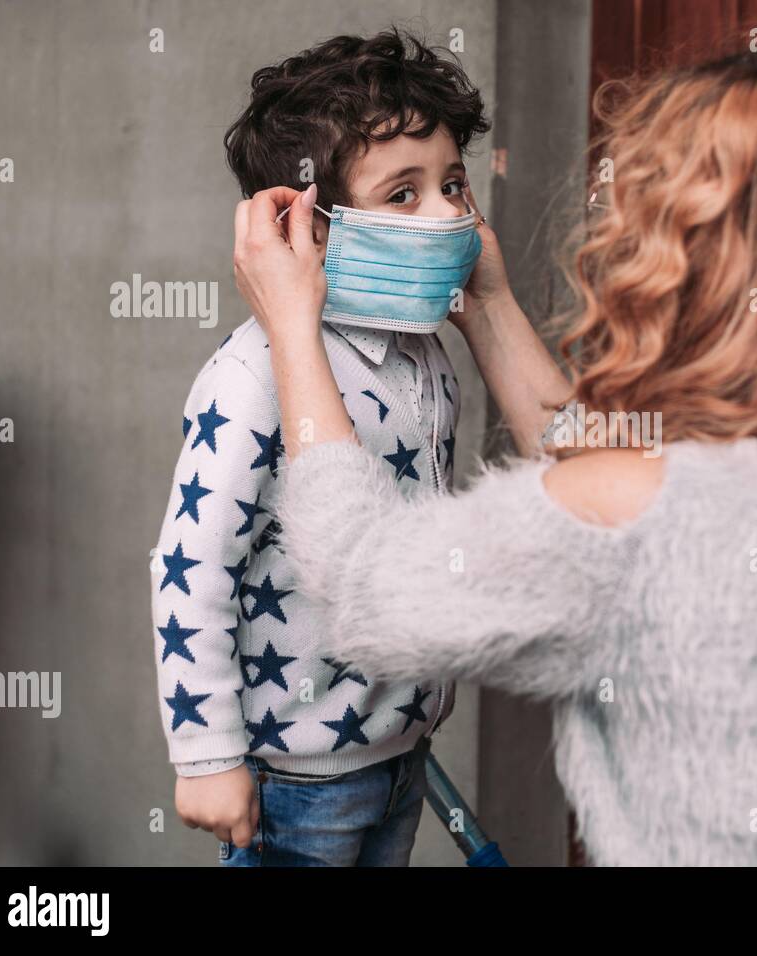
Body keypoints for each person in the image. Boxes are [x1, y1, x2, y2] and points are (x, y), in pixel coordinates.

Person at [235, 44, 757, 865]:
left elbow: (360, 581)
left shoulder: (641, 511)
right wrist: (487, 306)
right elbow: (607, 473)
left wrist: (290, 330)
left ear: (668, 246)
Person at [152, 29, 495, 866]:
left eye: (452, 183)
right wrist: (207, 755)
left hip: (402, 753)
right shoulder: (252, 376)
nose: (452, 213)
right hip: (300, 784)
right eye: (403, 195)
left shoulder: (424, 348)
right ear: (305, 217)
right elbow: (190, 568)